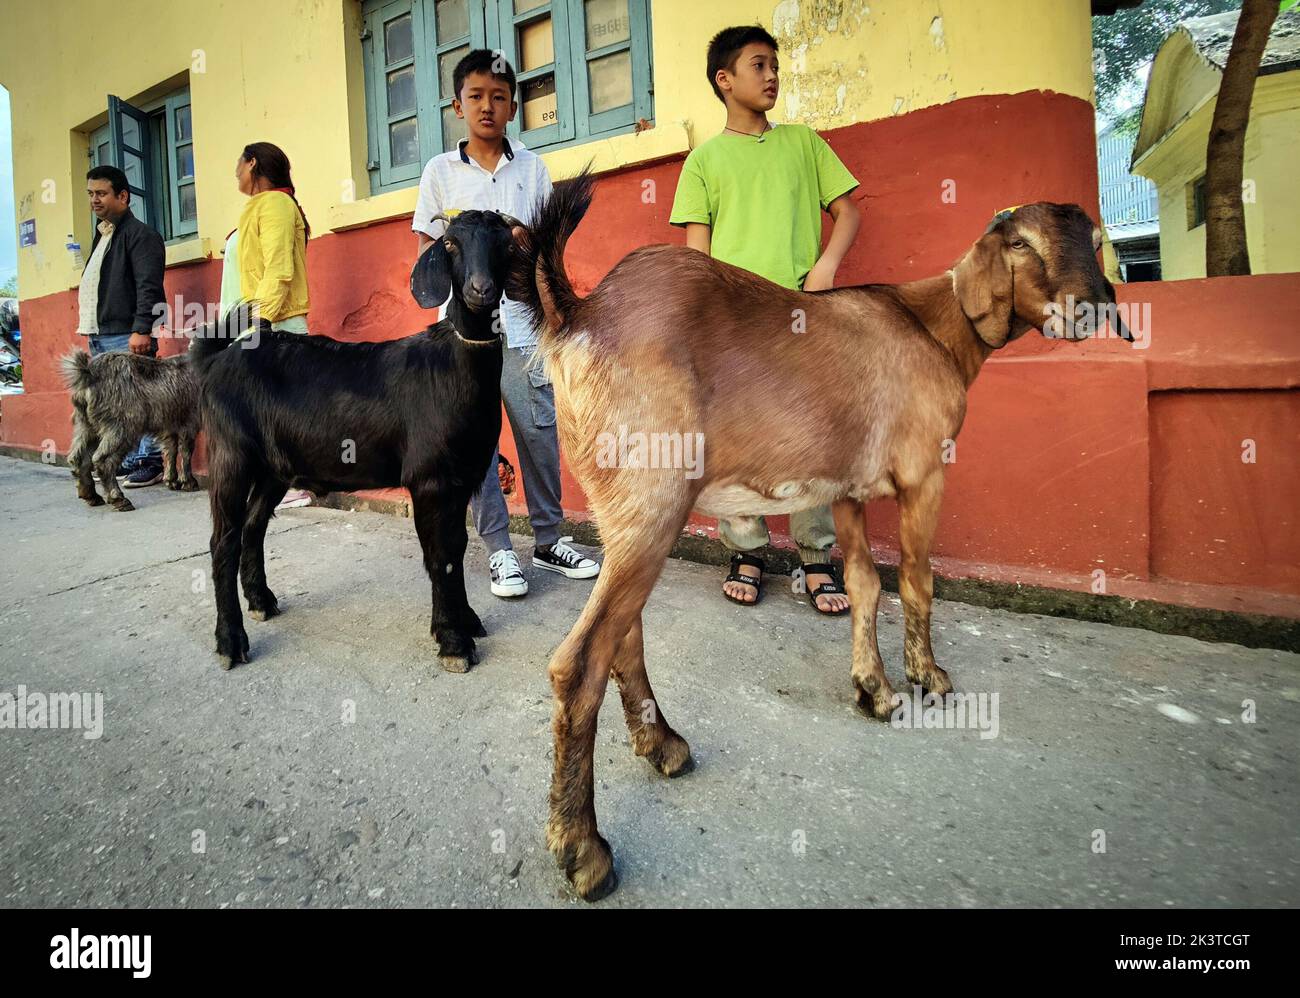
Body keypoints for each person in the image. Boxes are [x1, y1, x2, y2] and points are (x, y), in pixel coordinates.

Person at [670, 24, 862, 615]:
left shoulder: (804, 143)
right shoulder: (704, 161)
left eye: (775, 65)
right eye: (759, 65)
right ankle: (746, 549)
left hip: (804, 316)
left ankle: (815, 556)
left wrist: (827, 264)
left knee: (811, 434)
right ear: (725, 80)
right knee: (739, 438)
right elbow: (696, 258)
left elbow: (848, 212)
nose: (772, 74)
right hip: (735, 326)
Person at [413, 49, 600, 598]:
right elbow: (428, 244)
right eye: (476, 97)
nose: (487, 107)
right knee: (475, 444)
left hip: (521, 329)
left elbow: (544, 251)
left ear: (514, 106)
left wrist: (554, 316)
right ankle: (498, 550)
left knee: (539, 433)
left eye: (498, 97)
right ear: (457, 105)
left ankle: (547, 540)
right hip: (464, 341)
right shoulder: (439, 173)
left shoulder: (532, 168)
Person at [226, 142, 313, 508]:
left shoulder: (276, 204)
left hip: (272, 326)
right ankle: (272, 487)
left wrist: (261, 323)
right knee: (259, 414)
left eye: (238, 164)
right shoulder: (260, 206)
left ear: (252, 163)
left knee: (279, 413)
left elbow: (279, 268)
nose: (235, 172)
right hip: (252, 324)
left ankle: (292, 487)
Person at [78, 165, 166, 488]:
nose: (94, 200)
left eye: (101, 193)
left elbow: (149, 287)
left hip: (127, 333)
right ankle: (130, 458)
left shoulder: (141, 236)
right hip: (100, 333)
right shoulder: (104, 234)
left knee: (142, 400)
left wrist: (142, 329)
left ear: (123, 196)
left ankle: (151, 461)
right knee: (116, 403)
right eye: (90, 194)